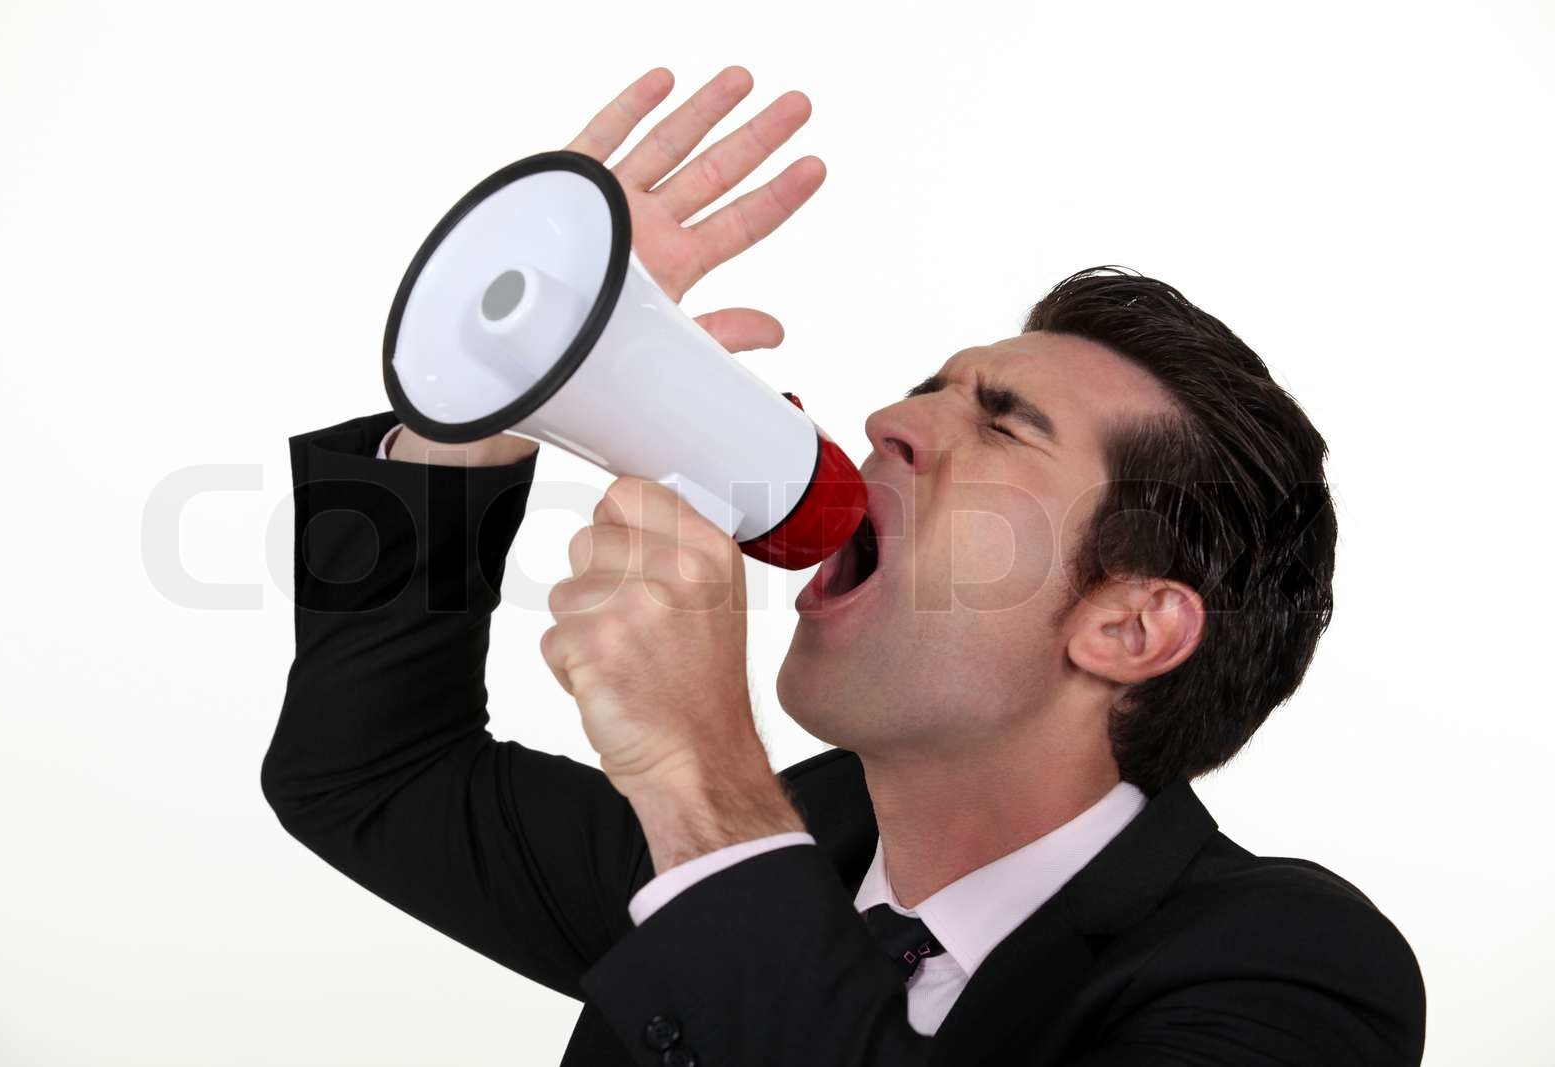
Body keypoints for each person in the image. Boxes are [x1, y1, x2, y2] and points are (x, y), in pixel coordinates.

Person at [262, 66, 1426, 1066]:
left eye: (1005, 423)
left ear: (1127, 626)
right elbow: (367, 769)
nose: (888, 420)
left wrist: (697, 771)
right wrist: (498, 391)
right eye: (929, 388)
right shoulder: (783, 842)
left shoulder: (1289, 969)